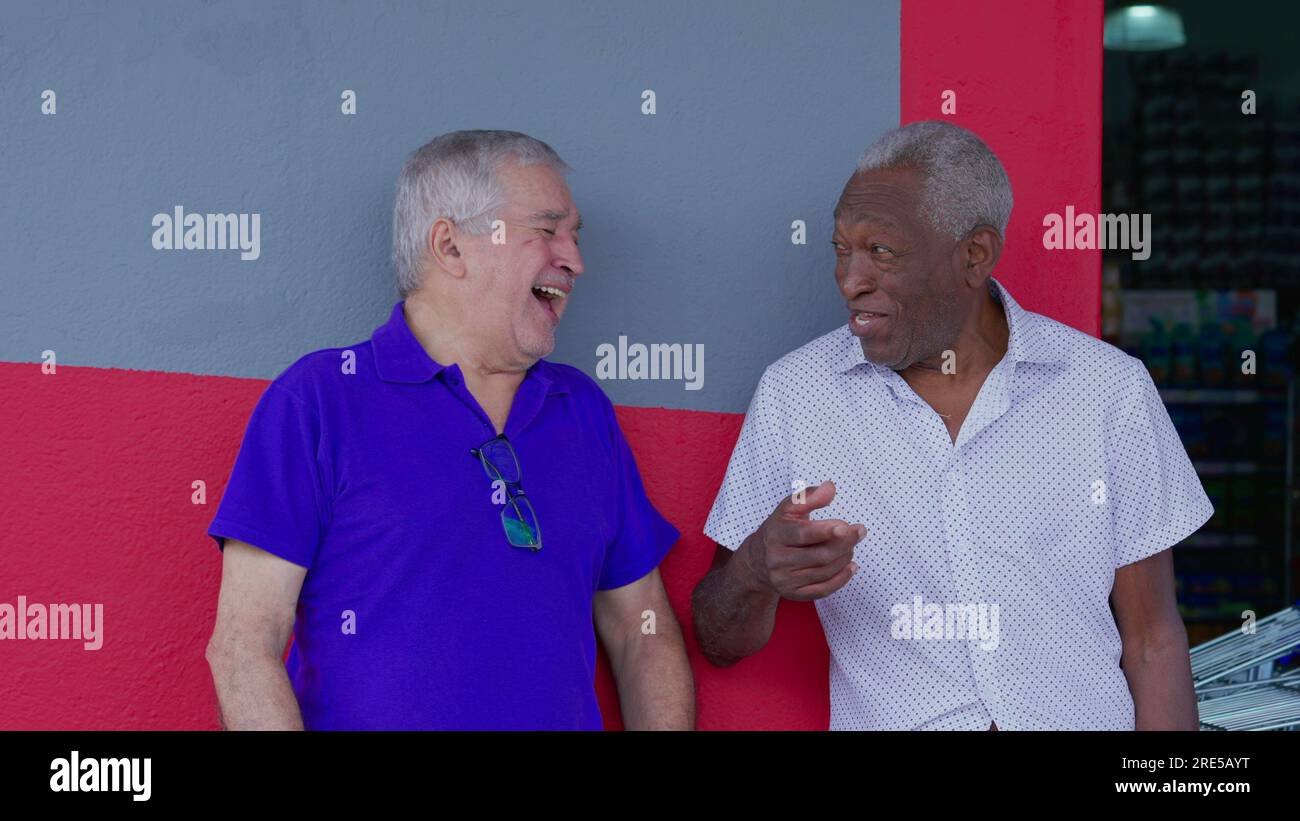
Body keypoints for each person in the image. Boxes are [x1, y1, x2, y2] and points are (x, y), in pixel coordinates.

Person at [692, 121, 1211, 730]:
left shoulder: (1105, 390)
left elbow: (1154, 640)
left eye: (882, 251)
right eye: (841, 249)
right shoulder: (797, 395)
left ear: (975, 254)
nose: (850, 279)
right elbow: (717, 640)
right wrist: (757, 569)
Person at [205, 130, 693, 730]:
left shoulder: (583, 409)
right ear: (451, 246)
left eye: (575, 234)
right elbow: (244, 647)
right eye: (546, 229)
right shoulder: (319, 402)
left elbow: (642, 632)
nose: (574, 260)